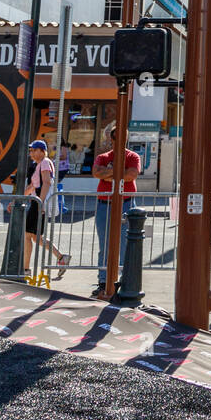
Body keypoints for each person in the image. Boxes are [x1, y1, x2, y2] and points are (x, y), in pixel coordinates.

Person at [92, 123, 142, 298]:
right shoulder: (103, 157)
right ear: (111, 139)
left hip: (126, 202)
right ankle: (103, 281)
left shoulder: (133, 156)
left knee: (126, 243)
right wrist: (118, 172)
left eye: (121, 138)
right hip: (104, 203)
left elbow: (131, 175)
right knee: (105, 244)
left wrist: (110, 173)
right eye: (115, 138)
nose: (117, 141)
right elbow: (96, 173)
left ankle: (123, 280)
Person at [24, 140, 70, 278]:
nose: (31, 153)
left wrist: (40, 202)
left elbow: (46, 183)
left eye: (33, 150)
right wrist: (17, 199)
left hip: (38, 203)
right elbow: (32, 186)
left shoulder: (44, 162)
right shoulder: (39, 164)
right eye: (30, 151)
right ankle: (61, 258)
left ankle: (25, 270)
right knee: (36, 238)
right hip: (37, 202)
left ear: (41, 151)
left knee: (28, 236)